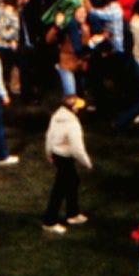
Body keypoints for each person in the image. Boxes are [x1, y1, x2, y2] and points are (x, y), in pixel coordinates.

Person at [42, 94, 91, 232]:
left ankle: (73, 213)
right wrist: (87, 163)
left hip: (57, 155)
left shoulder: (56, 116)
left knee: (73, 181)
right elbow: (77, 148)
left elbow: (49, 136)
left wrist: (48, 152)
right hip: (66, 157)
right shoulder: (73, 124)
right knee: (60, 188)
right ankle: (49, 221)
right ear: (73, 108)